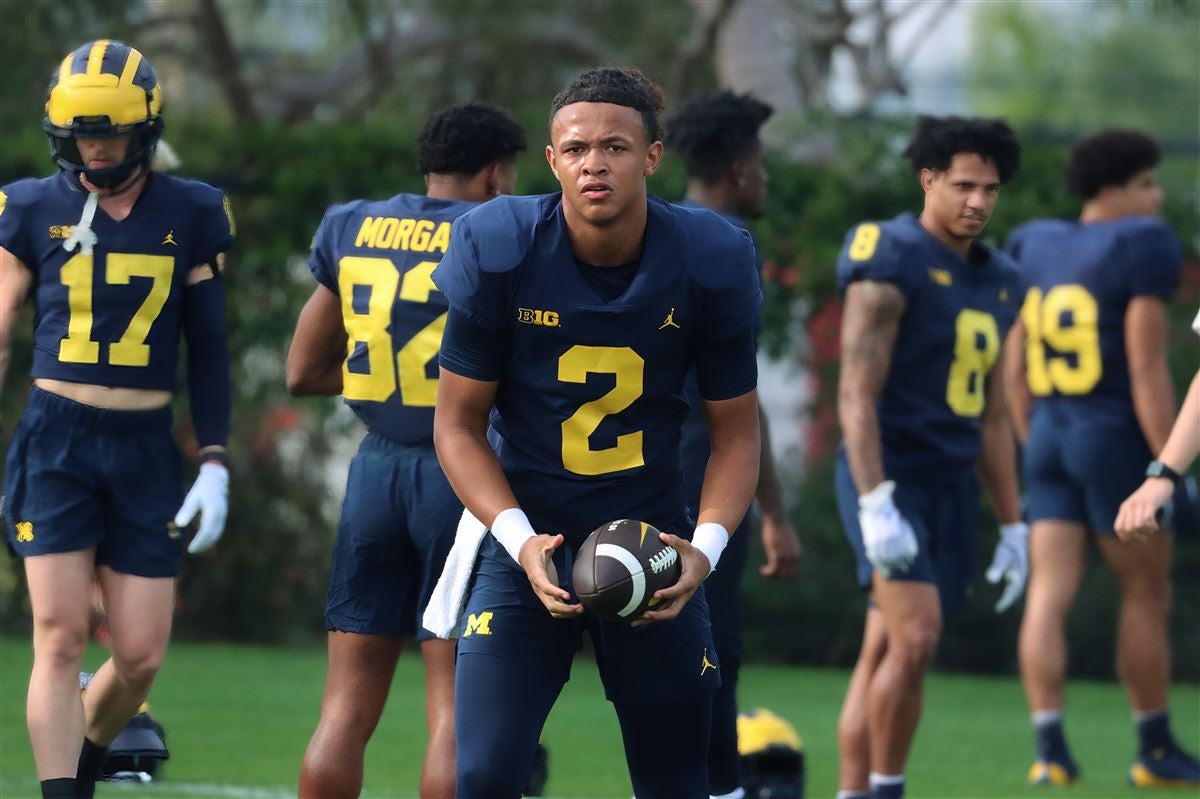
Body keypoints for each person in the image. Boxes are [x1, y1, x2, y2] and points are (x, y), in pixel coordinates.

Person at [431, 67, 762, 799]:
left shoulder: (709, 257)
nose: (594, 164)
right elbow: (456, 425)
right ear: (552, 161)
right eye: (577, 149)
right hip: (529, 543)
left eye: (615, 147)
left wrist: (703, 551)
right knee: (482, 775)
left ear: (652, 156)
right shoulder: (500, 245)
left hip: (653, 542)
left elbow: (737, 435)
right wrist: (519, 540)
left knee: (677, 783)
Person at [0, 40, 233, 799]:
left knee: (139, 655)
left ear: (146, 129)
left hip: (144, 444)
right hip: (56, 437)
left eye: (110, 134)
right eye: (82, 135)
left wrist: (215, 457)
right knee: (60, 633)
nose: (95, 149)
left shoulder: (193, 209)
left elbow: (209, 347)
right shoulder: (29, 206)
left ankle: (86, 761)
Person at [285, 102, 526, 799]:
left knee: (343, 709)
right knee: (453, 707)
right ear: (493, 174)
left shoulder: (354, 224)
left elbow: (302, 371)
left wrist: (383, 384)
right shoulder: (501, 229)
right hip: (463, 475)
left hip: (375, 472)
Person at [832, 116, 1026, 799]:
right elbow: (855, 391)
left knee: (886, 648)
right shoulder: (891, 254)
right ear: (928, 179)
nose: (978, 201)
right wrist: (874, 500)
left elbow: (993, 415)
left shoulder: (1002, 279)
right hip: (890, 477)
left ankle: (853, 791)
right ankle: (887, 789)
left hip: (951, 482)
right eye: (964, 185)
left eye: (990, 189)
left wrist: (1014, 522)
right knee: (917, 638)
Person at [1003, 129, 1200, 788]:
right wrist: (1169, 467)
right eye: (1147, 183)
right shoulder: (1142, 242)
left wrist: (1032, 436)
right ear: (1113, 189)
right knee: (1146, 592)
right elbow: (1145, 366)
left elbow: (1014, 361)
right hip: (1113, 434)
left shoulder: (1034, 242)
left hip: (1049, 433)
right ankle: (1154, 746)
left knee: (1047, 594)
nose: (1157, 196)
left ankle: (1049, 750)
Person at [664, 89, 802, 799]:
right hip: (706, 477)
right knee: (711, 652)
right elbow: (741, 410)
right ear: (742, 168)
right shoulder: (728, 248)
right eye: (763, 163)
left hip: (618, 470)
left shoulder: (647, 229)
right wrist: (773, 510)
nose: (766, 177)